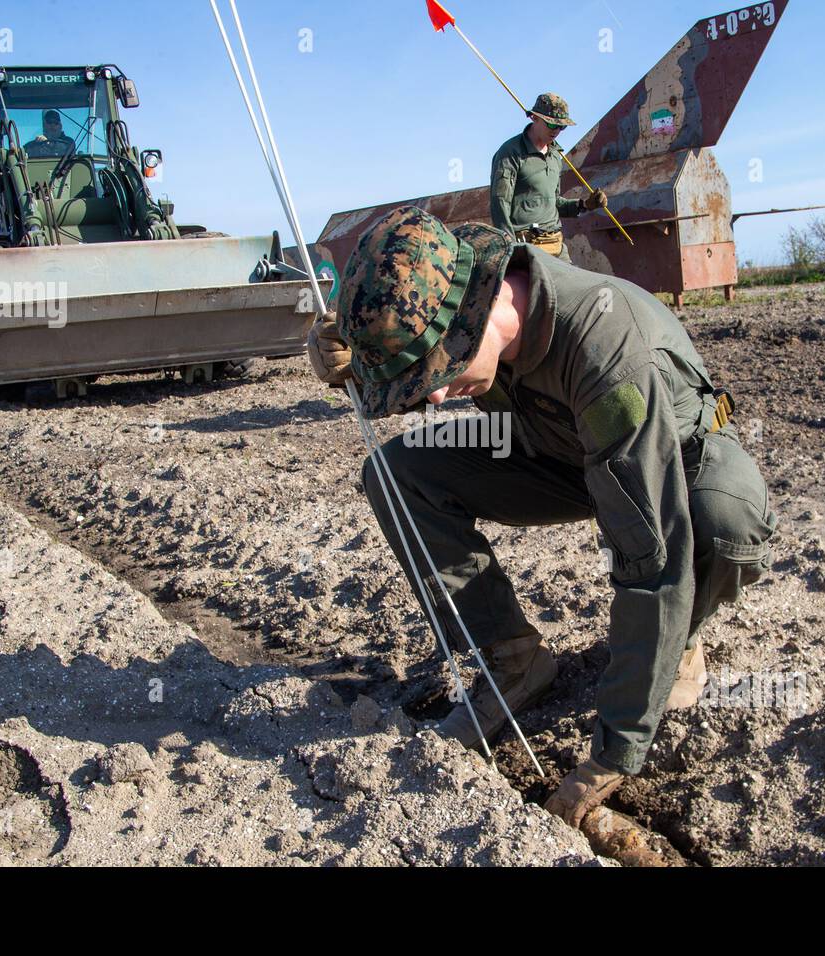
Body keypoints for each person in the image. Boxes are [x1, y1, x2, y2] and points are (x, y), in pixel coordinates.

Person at [306, 206, 776, 826]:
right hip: (551, 450)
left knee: (724, 526)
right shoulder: (472, 304)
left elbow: (649, 559)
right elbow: (399, 355)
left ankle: (679, 645)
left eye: (441, 372)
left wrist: (614, 753)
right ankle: (515, 658)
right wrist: (347, 361)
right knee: (395, 475)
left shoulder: (608, 353)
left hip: (669, 461)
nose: (438, 397)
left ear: (486, 304)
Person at [489, 93, 606, 262]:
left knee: (571, 288)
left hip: (557, 247)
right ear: (534, 118)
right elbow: (500, 203)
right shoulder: (510, 153)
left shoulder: (555, 156)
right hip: (527, 249)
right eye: (551, 124)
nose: (556, 131)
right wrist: (510, 249)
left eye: (562, 127)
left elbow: (554, 203)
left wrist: (585, 205)